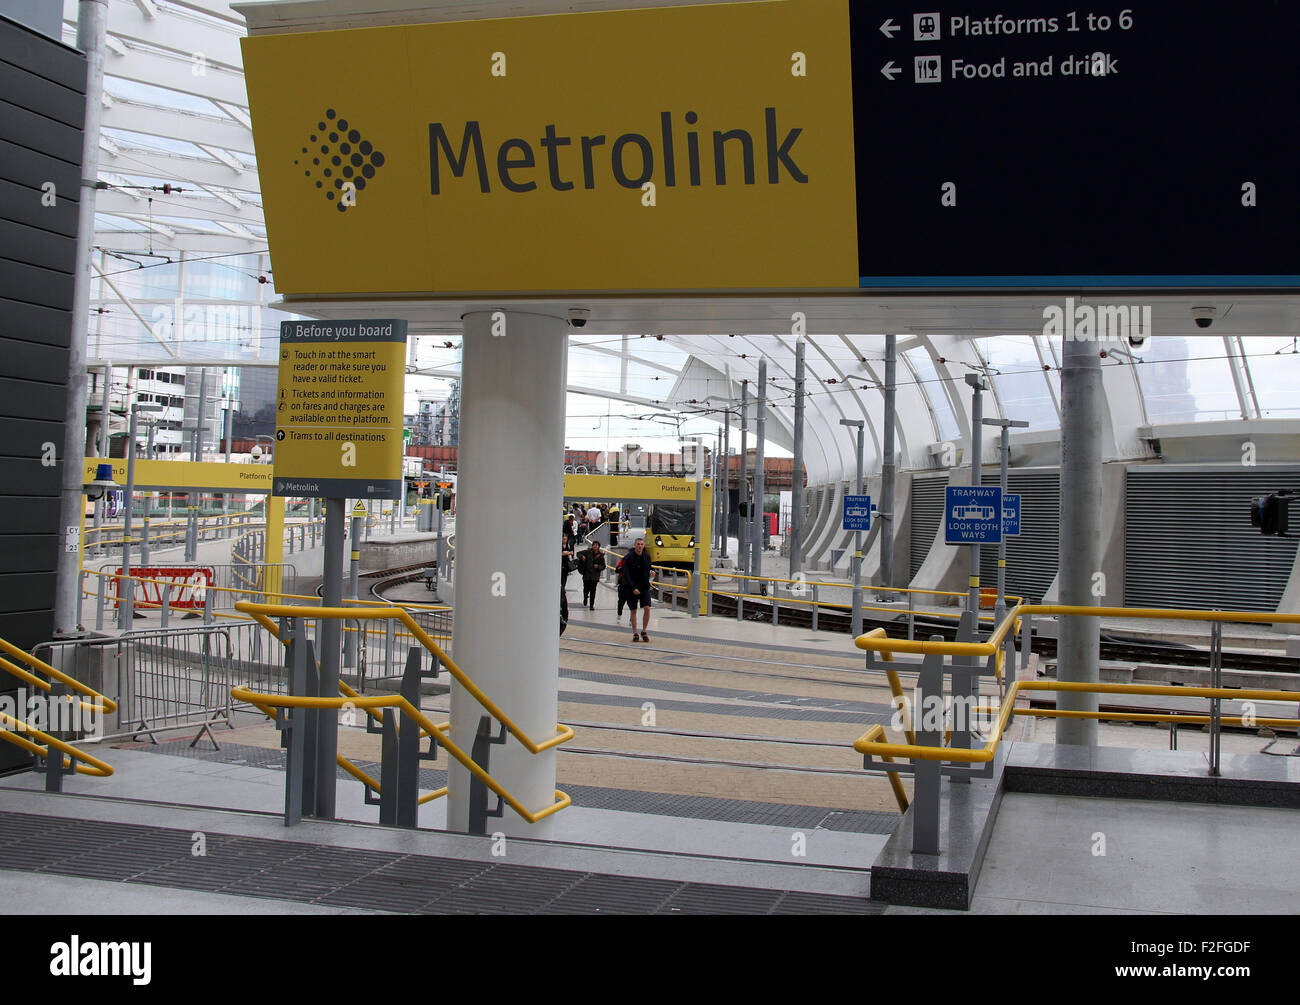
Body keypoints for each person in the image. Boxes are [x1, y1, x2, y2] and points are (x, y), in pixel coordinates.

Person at [621, 537, 655, 642]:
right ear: (635, 545)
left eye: (641, 544)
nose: (640, 546)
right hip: (631, 588)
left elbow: (650, 567)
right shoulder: (628, 557)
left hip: (644, 587)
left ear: (643, 546)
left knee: (647, 608)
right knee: (634, 610)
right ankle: (635, 632)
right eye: (638, 544)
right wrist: (633, 588)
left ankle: (644, 631)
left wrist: (652, 572)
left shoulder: (647, 557)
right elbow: (625, 575)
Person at [575, 539, 607, 610]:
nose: (595, 546)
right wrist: (582, 557)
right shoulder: (587, 552)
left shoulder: (601, 555)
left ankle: (591, 605)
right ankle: (585, 598)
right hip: (586, 574)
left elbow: (603, 566)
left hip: (594, 576)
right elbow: (578, 553)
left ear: (599, 547)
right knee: (585, 589)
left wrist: (598, 566)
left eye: (596, 545)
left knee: (593, 591)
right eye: (594, 545)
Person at [615, 554, 629, 618]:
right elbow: (617, 570)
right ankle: (619, 614)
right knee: (621, 600)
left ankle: (632, 618)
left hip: (632, 586)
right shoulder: (624, 560)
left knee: (632, 602)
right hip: (623, 584)